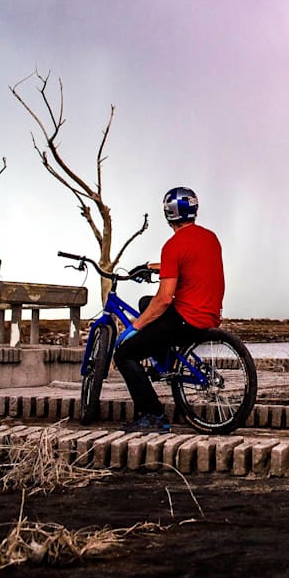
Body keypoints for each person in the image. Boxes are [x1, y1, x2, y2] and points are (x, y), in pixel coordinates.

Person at [113, 186, 224, 433]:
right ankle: (167, 362)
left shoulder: (173, 245)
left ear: (168, 214)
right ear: (194, 209)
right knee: (144, 302)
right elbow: (190, 261)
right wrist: (151, 267)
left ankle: (153, 415)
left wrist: (134, 327)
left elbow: (164, 299)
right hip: (209, 314)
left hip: (186, 320)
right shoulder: (210, 237)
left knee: (124, 354)